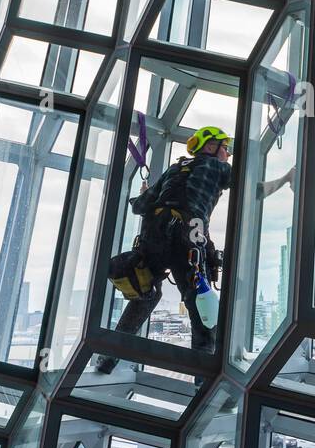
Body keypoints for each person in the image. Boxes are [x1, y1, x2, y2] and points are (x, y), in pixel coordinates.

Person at [95, 125, 235, 371]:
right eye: (226, 148)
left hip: (154, 238)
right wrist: (286, 179)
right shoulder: (215, 167)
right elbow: (250, 185)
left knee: (146, 296)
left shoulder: (175, 168)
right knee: (200, 310)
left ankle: (107, 360)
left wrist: (145, 194)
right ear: (211, 147)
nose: (228, 154)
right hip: (185, 239)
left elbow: (139, 207)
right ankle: (203, 380)